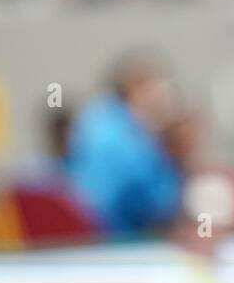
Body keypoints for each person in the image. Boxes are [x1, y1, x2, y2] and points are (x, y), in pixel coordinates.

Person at [66, 55, 184, 238]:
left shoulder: (94, 117)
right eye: (157, 87)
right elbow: (157, 204)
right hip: (118, 239)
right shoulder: (130, 135)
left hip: (84, 236)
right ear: (135, 87)